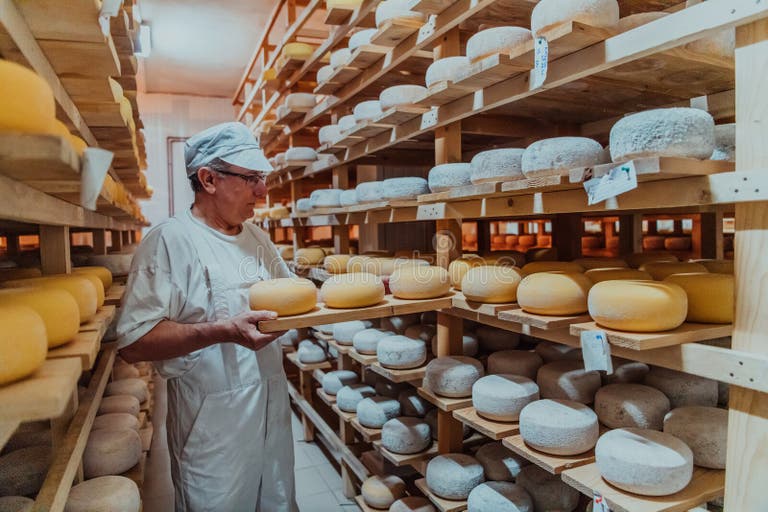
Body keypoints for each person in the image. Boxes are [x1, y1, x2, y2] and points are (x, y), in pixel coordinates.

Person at [116, 122, 297, 512]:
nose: (263, 192)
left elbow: (295, 296)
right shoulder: (170, 241)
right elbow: (132, 341)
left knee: (277, 502)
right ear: (209, 179)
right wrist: (221, 331)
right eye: (251, 179)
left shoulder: (258, 239)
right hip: (213, 429)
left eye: (261, 178)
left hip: (270, 413)